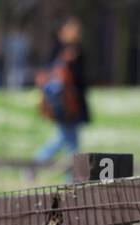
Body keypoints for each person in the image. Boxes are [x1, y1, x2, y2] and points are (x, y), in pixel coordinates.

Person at [33, 18, 90, 169]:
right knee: (66, 141)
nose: (76, 33)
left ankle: (70, 178)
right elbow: (50, 75)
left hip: (73, 102)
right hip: (63, 103)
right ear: (62, 31)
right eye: (72, 29)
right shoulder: (59, 50)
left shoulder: (77, 49)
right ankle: (36, 163)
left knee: (70, 141)